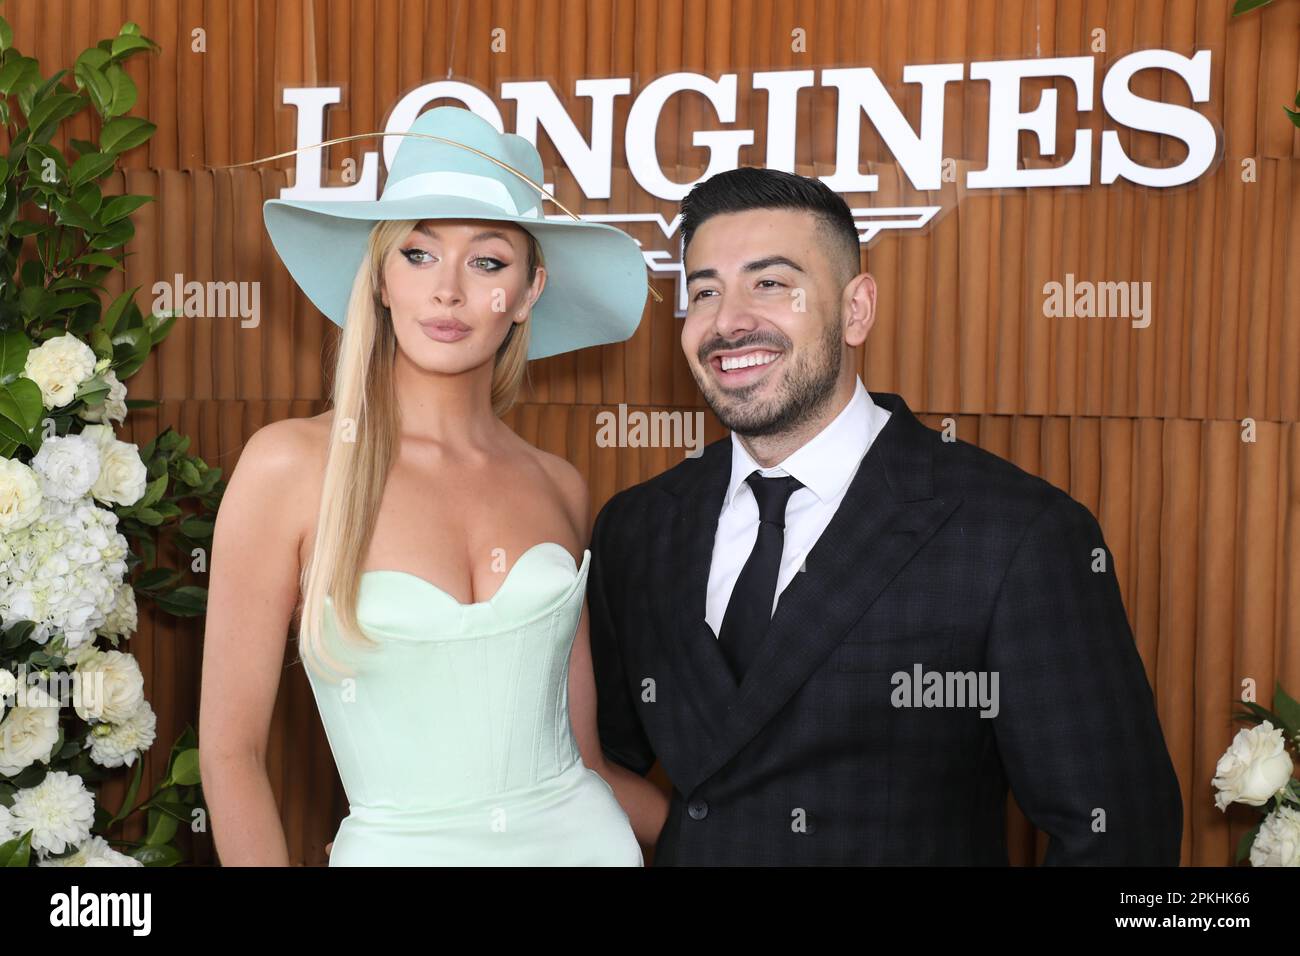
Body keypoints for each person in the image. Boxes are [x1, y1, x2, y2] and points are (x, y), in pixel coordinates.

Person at [587, 166, 1184, 865]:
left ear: (857, 308)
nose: (728, 320)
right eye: (705, 290)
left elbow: (1117, 835)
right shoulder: (637, 529)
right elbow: (593, 766)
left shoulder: (1015, 534)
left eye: (771, 283)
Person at [199, 106, 667, 865]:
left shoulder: (559, 485)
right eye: (418, 254)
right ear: (379, 279)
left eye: (488, 262)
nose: (448, 290)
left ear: (527, 291)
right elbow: (230, 755)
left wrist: (764, 834)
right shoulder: (288, 467)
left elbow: (586, 761)